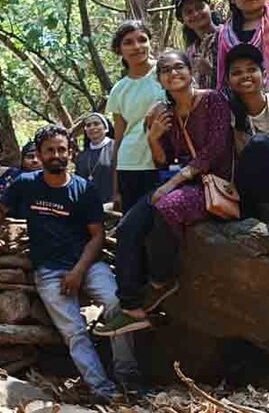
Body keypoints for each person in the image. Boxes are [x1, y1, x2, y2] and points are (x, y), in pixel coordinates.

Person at [0, 125, 140, 403]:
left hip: (88, 265)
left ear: (70, 152)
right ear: (39, 155)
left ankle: (128, 378)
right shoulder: (26, 184)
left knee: (117, 306)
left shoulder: (83, 189)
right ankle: (105, 392)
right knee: (74, 332)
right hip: (50, 271)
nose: (57, 155)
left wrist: (78, 271)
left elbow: (97, 237)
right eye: (50, 150)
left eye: (62, 149)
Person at [96, 50, 233, 335]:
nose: (173, 74)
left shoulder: (213, 100)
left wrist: (173, 183)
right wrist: (153, 138)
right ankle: (131, 307)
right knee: (127, 226)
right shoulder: (165, 114)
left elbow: (216, 149)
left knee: (166, 206)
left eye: (178, 67)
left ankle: (162, 281)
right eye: (166, 70)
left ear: (190, 70)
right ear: (159, 79)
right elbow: (164, 160)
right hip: (177, 182)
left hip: (209, 182)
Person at [224, 44, 269, 223]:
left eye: (252, 69)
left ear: (264, 75)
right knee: (259, 144)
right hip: (247, 190)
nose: (245, 75)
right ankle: (264, 215)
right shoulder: (227, 114)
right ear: (228, 81)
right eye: (236, 73)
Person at [106, 21, 165, 211]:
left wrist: (161, 105)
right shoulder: (119, 89)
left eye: (142, 40)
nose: (137, 46)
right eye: (128, 42)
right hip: (130, 164)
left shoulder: (167, 71)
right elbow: (119, 138)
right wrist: (115, 189)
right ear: (119, 49)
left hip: (164, 162)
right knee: (134, 229)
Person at [174, 0, 222, 89]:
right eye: (188, 12)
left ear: (211, 7)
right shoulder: (191, 52)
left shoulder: (228, 37)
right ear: (182, 19)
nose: (195, 14)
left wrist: (211, 71)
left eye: (200, 7)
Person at [74, 113, 115, 202]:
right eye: (88, 125)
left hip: (112, 205)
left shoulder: (116, 148)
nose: (92, 128)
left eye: (96, 124)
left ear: (106, 128)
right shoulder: (82, 155)